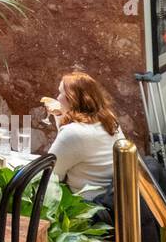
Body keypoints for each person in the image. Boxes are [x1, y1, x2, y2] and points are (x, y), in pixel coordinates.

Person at [43, 71, 124, 199]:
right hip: (111, 201)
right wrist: (60, 115)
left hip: (85, 210)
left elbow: (50, 175)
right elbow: (72, 149)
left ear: (72, 99)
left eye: (61, 93)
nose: (57, 98)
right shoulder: (110, 122)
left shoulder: (74, 132)